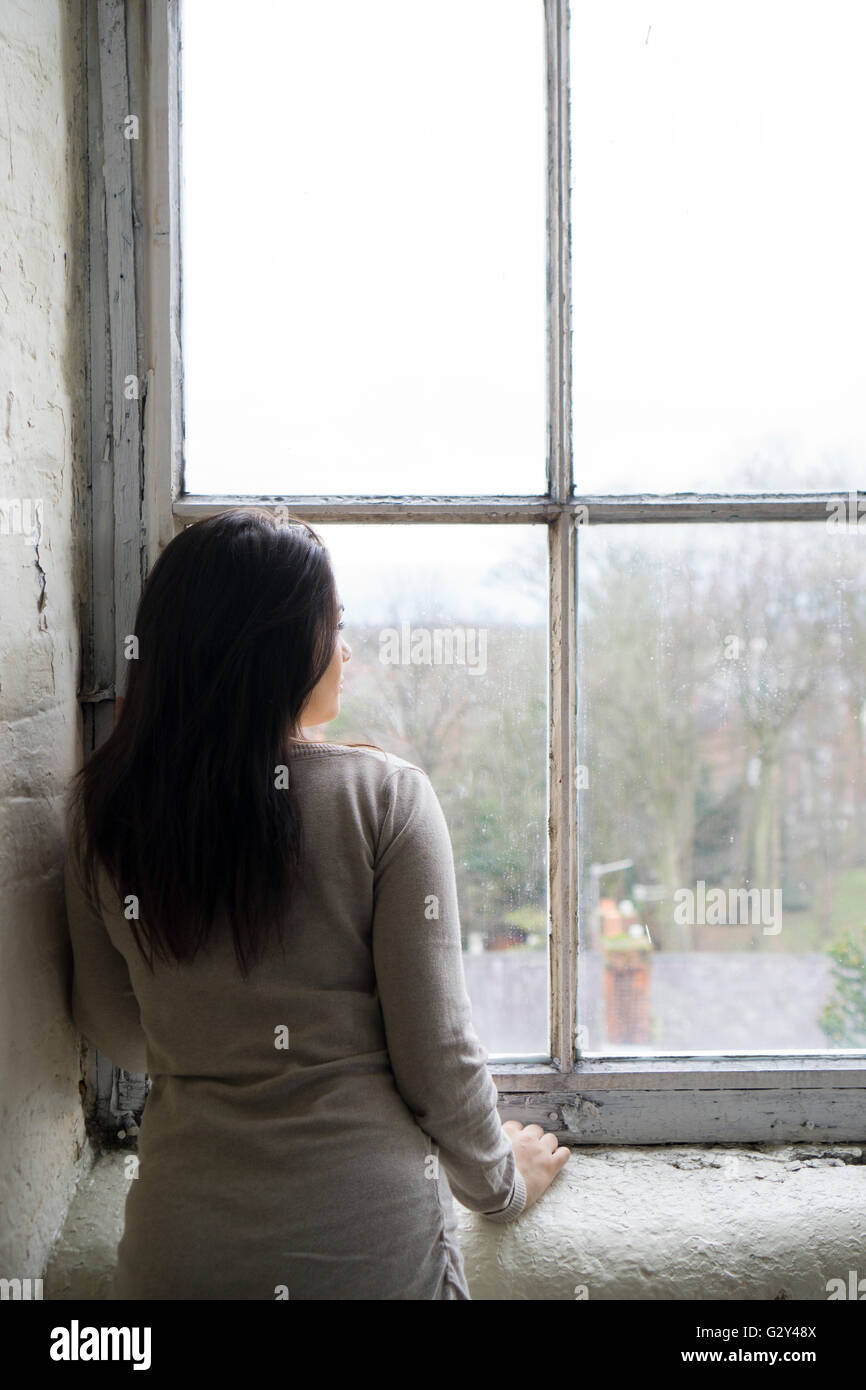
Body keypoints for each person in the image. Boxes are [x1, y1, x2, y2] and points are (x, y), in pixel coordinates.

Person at [64, 508, 570, 1300]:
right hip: (368, 1252)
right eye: (333, 624)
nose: (345, 646)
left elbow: (117, 1028)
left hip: (178, 1254)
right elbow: (436, 1052)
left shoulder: (103, 810)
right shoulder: (387, 798)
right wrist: (502, 1185)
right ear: (281, 645)